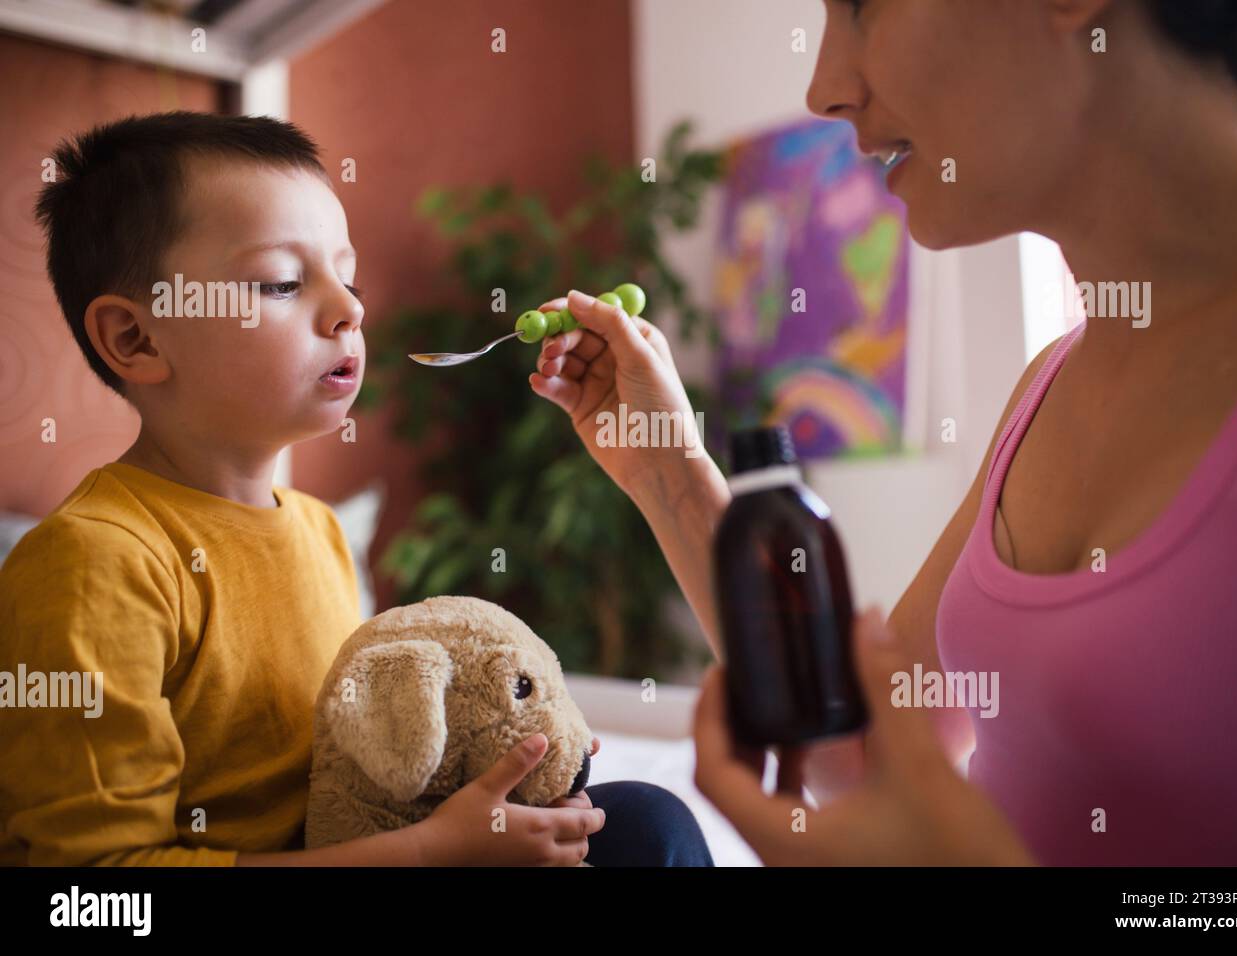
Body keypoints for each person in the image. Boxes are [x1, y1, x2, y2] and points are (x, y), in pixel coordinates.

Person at [528, 0, 1237, 865]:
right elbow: (856, 751)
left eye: (862, 6)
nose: (823, 87)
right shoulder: (1050, 383)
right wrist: (666, 469)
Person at [0, 112, 711, 867]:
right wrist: (429, 854)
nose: (351, 309)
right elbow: (89, 899)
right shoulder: (94, 565)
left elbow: (358, 767)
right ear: (137, 339)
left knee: (640, 823)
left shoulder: (318, 531)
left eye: (349, 277)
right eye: (280, 281)